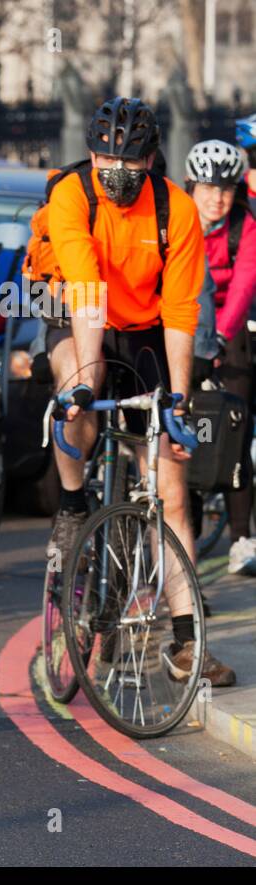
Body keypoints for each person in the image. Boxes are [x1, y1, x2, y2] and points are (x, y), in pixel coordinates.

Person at [43, 97, 233, 686]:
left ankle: (184, 639)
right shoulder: (70, 193)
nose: (116, 170)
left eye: (129, 159)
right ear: (91, 154)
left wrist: (176, 400)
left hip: (148, 329)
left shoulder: (176, 210)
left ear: (151, 159)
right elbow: (86, 288)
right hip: (83, 313)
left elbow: (180, 313)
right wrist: (85, 389)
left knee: (170, 486)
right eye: (104, 158)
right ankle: (74, 504)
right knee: (81, 379)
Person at [184, 139, 256, 575]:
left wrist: (217, 340)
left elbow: (245, 284)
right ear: (191, 187)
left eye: (227, 189)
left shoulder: (244, 225)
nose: (217, 198)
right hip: (185, 321)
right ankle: (184, 533)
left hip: (231, 329)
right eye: (209, 188)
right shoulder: (174, 219)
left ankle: (242, 539)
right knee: (188, 431)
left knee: (232, 429)